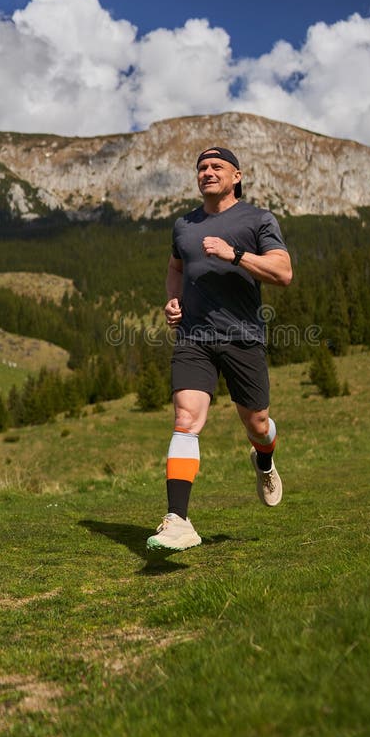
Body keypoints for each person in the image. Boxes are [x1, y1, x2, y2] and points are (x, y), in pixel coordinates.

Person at [146, 146, 293, 552]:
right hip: (193, 337)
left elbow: (283, 272)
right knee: (185, 419)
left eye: (217, 167)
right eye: (202, 168)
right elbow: (176, 266)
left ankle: (264, 459)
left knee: (257, 424)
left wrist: (236, 254)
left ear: (236, 176)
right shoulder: (184, 225)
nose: (207, 172)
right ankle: (178, 521)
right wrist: (173, 300)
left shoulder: (258, 219)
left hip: (243, 337)